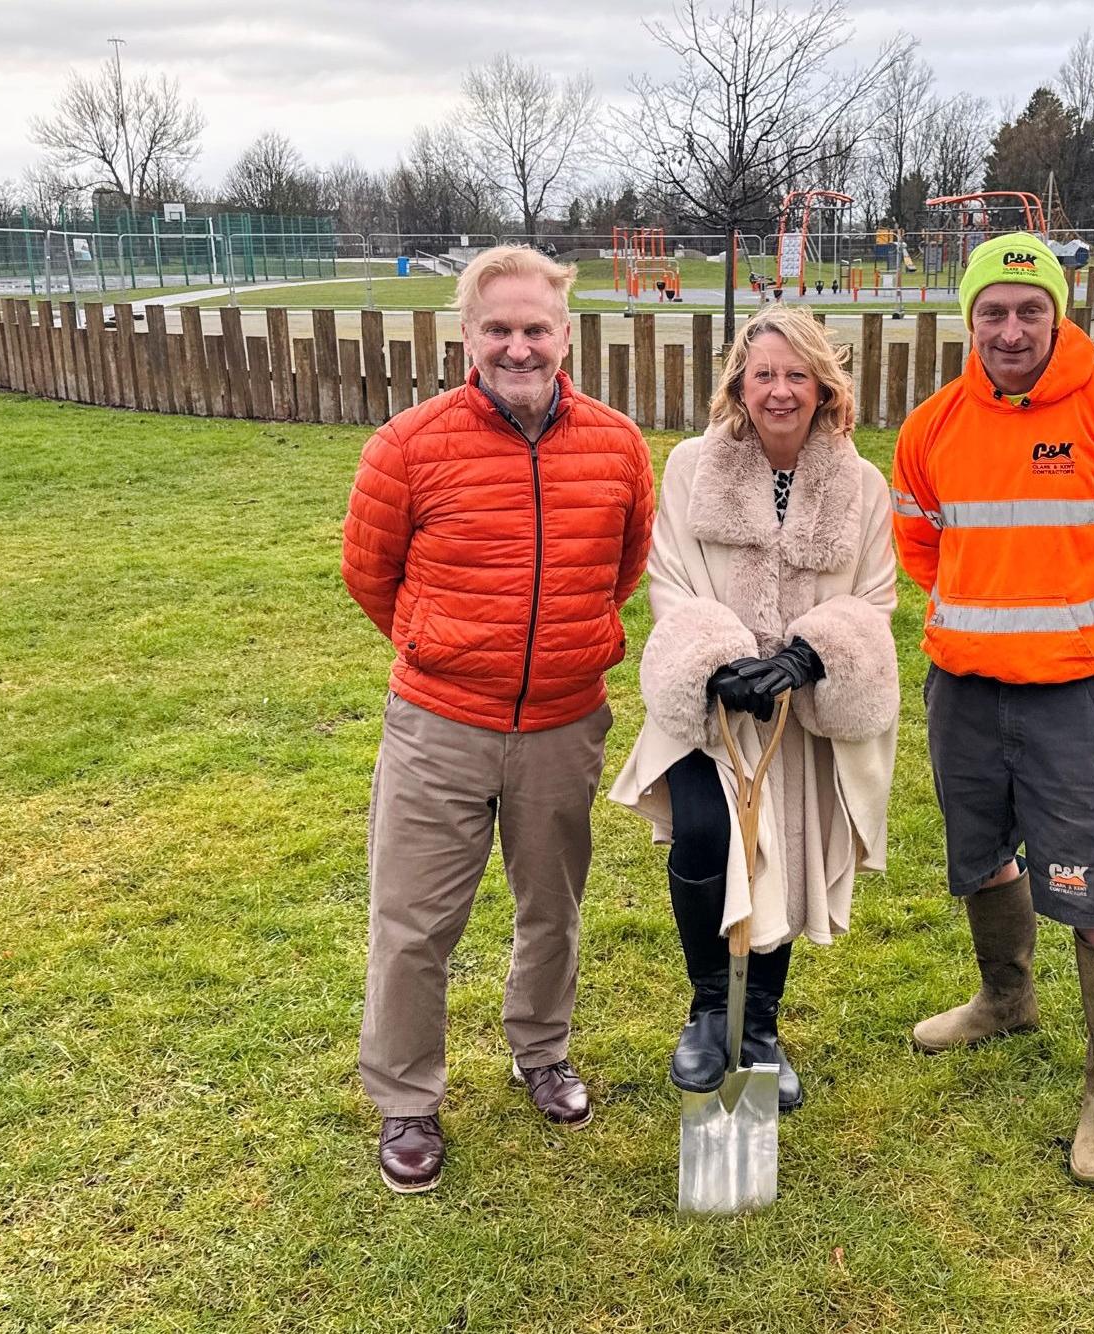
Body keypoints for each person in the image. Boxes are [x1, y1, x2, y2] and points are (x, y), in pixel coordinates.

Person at [341, 245, 655, 1193]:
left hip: (564, 724)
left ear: (566, 334)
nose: (518, 347)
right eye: (498, 330)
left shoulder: (617, 445)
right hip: (441, 723)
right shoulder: (407, 444)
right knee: (413, 920)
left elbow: (626, 567)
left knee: (550, 907)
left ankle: (542, 1050)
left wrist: (563, 648)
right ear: (466, 336)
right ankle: (406, 1097)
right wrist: (442, 645)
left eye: (535, 329)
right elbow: (371, 573)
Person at [891, 233, 1094, 1184]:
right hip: (966, 691)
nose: (1011, 328)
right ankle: (1005, 997)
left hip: (1080, 694)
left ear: (1058, 314)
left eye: (1030, 310)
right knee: (979, 850)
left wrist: (1075, 628)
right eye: (993, 311)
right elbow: (920, 547)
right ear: (968, 319)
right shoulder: (932, 425)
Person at [610, 305, 898, 1112]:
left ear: (823, 386)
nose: (779, 391)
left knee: (784, 858)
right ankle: (710, 1010)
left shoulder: (861, 485)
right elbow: (669, 578)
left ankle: (760, 1028)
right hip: (709, 708)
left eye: (796, 375)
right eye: (764, 373)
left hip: (796, 718)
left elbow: (876, 598)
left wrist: (810, 655)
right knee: (707, 833)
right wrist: (720, 659)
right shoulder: (693, 466)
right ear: (740, 381)